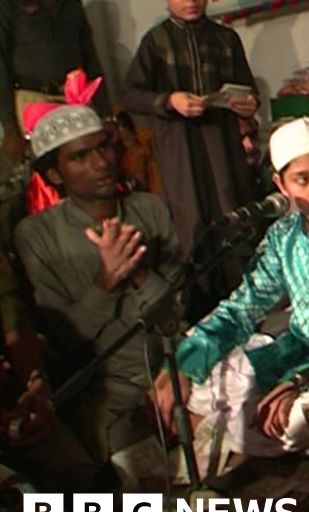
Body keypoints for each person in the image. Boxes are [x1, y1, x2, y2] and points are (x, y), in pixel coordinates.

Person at [152, 117, 309, 456]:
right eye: (302, 179)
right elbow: (245, 305)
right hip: (299, 346)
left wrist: (297, 379)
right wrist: (182, 363)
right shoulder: (282, 235)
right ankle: (246, 434)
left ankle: (247, 436)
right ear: (281, 184)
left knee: (299, 420)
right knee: (206, 384)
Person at [14, 97, 181, 460]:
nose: (101, 162)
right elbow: (63, 339)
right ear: (55, 174)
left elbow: (179, 315)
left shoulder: (149, 209)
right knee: (148, 491)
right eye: (80, 156)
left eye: (103, 147)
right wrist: (106, 281)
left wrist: (137, 272)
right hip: (105, 395)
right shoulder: (37, 234)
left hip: (174, 374)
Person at [122, 0, 261, 316]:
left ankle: (245, 309)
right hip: (180, 148)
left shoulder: (226, 39)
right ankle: (201, 314)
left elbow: (249, 91)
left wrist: (248, 103)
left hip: (223, 146)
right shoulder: (156, 41)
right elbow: (131, 95)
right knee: (192, 224)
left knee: (233, 217)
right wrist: (169, 100)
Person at [0, 0, 109, 163]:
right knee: (41, 172)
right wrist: (9, 127)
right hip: (31, 103)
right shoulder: (8, 5)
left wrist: (106, 116)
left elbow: (90, 59)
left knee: (79, 167)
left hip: (74, 101)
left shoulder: (72, 4)